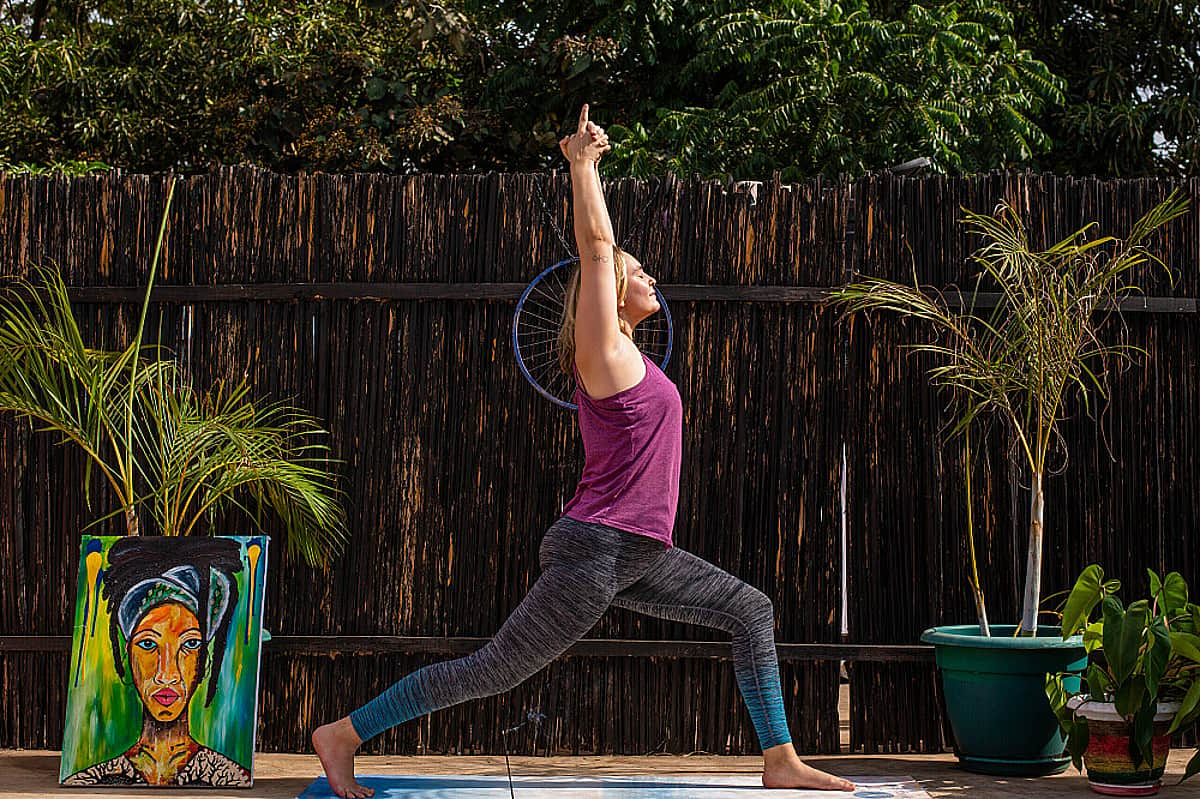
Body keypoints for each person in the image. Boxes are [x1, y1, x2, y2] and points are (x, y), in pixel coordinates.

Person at [311, 104, 856, 799]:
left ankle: (779, 758)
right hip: (595, 550)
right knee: (494, 669)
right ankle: (343, 734)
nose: (650, 277)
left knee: (750, 607)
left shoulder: (635, 361)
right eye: (639, 271)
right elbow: (598, 247)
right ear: (608, 295)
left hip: (637, 554)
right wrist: (583, 165)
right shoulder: (603, 352)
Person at [63, 537, 250, 787]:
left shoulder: (228, 777)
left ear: (203, 660)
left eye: (190, 645)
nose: (166, 675)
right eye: (149, 645)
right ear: (128, 654)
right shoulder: (92, 780)